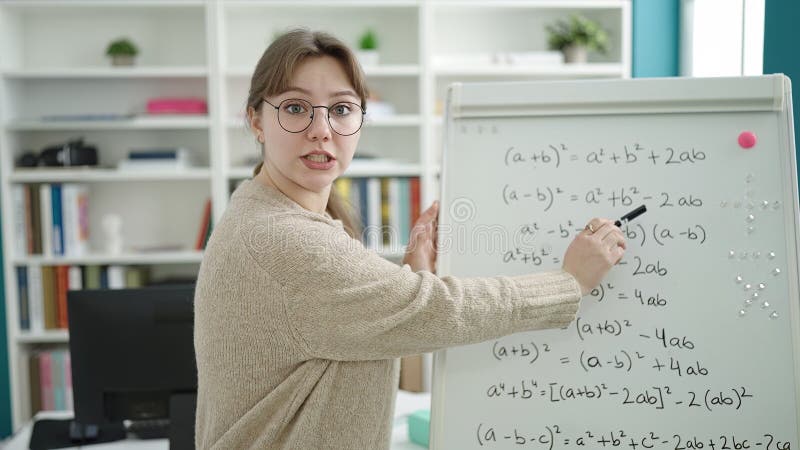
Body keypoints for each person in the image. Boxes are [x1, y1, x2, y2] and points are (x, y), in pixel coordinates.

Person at [193, 29, 626, 449]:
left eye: (341, 109)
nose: (322, 129)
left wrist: (413, 274)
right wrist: (570, 282)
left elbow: (363, 328)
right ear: (256, 120)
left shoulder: (260, 209)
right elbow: (437, 310)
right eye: (294, 108)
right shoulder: (282, 239)